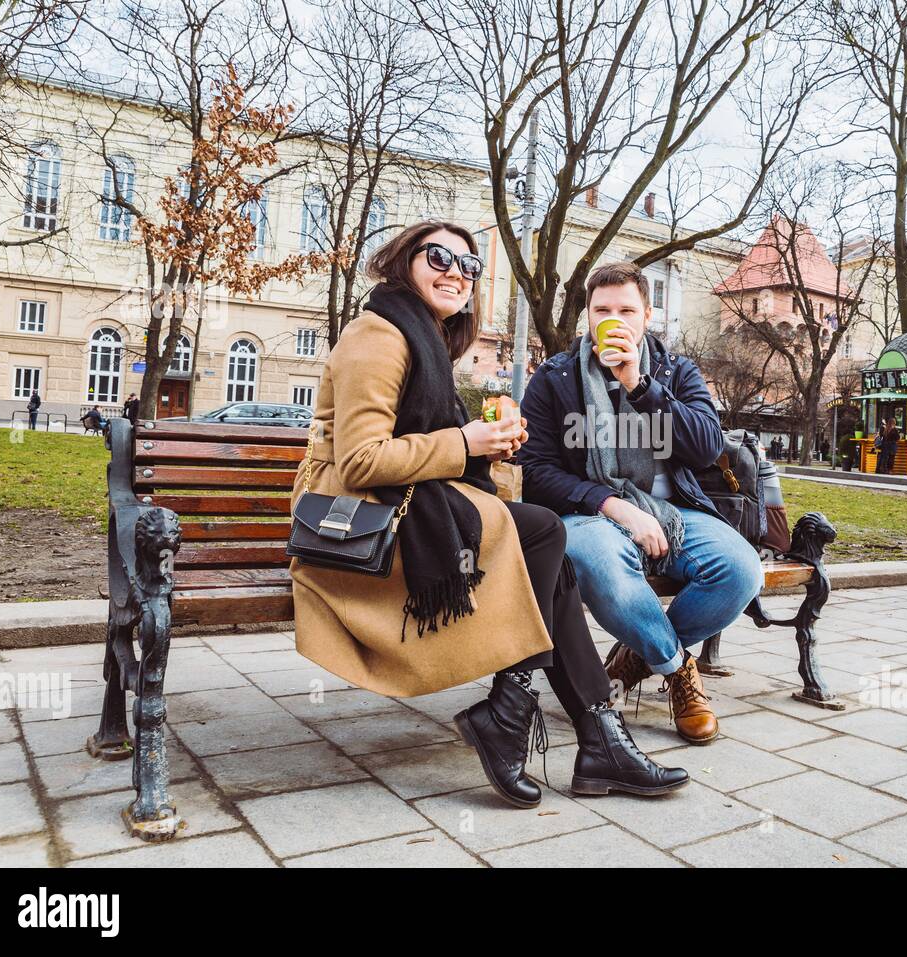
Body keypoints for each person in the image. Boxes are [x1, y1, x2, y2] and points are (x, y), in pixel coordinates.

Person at [288, 221, 686, 809]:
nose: (456, 271)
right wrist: (468, 443)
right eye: (439, 257)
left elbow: (422, 446)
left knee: (550, 560)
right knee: (544, 533)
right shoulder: (379, 335)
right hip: (356, 527)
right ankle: (529, 716)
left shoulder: (420, 334)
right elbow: (361, 461)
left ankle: (573, 732)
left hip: (405, 508)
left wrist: (489, 444)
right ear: (404, 262)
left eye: (469, 264)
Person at [519, 261, 763, 746]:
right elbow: (538, 470)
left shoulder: (675, 371)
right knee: (599, 561)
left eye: (626, 309)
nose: (615, 319)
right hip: (592, 514)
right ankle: (677, 670)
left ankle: (635, 654)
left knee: (741, 570)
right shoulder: (553, 378)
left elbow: (705, 445)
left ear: (647, 315)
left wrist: (640, 385)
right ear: (587, 316)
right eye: (602, 309)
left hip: (676, 513)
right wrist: (612, 504)